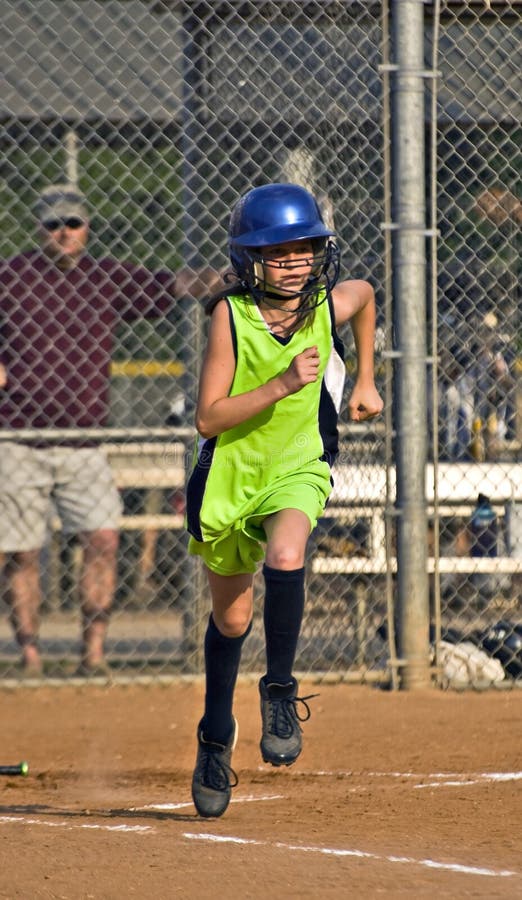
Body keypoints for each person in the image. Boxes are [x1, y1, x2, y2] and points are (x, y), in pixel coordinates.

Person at [185, 182, 383, 817]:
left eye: (306, 248)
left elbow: (368, 297)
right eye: (279, 251)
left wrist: (367, 380)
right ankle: (216, 735)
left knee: (289, 552)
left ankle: (279, 688)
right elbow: (209, 419)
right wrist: (280, 383)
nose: (296, 260)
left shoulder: (328, 302)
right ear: (251, 259)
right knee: (232, 621)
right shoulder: (231, 316)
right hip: (232, 476)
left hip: (298, 464)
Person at [0, 183, 221, 677]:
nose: (64, 232)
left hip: (84, 442)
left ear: (87, 228)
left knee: (102, 539)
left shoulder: (105, 277)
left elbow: (177, 284)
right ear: (40, 228)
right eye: (54, 224)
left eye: (73, 223)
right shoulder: (12, 275)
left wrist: (234, 276)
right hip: (17, 439)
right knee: (22, 552)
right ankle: (31, 658)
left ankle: (92, 654)